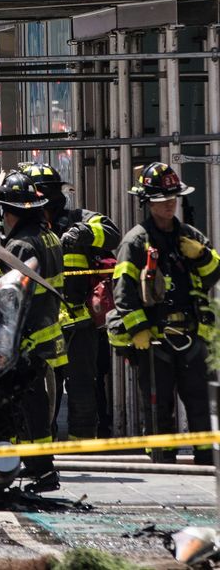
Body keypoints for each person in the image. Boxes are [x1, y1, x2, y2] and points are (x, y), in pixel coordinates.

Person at [107, 162, 219, 464]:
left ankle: (206, 461)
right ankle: (163, 461)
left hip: (192, 337)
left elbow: (213, 274)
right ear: (148, 202)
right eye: (161, 199)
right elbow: (124, 290)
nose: (169, 204)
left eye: (173, 198)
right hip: (155, 342)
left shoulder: (190, 236)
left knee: (198, 404)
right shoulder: (135, 242)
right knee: (158, 407)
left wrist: (203, 255)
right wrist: (137, 328)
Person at [23, 164, 120, 442]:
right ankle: (45, 444)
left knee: (82, 389)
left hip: (78, 325)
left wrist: (84, 234)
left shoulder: (78, 218)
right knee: (41, 391)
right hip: (42, 325)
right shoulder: (26, 227)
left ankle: (82, 446)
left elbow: (110, 231)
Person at [0, 170, 67, 493]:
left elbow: (10, 294)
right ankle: (38, 467)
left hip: (30, 342)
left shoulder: (21, 244)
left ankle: (42, 470)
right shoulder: (48, 236)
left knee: (31, 411)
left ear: (8, 211)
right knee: (40, 408)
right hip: (49, 336)